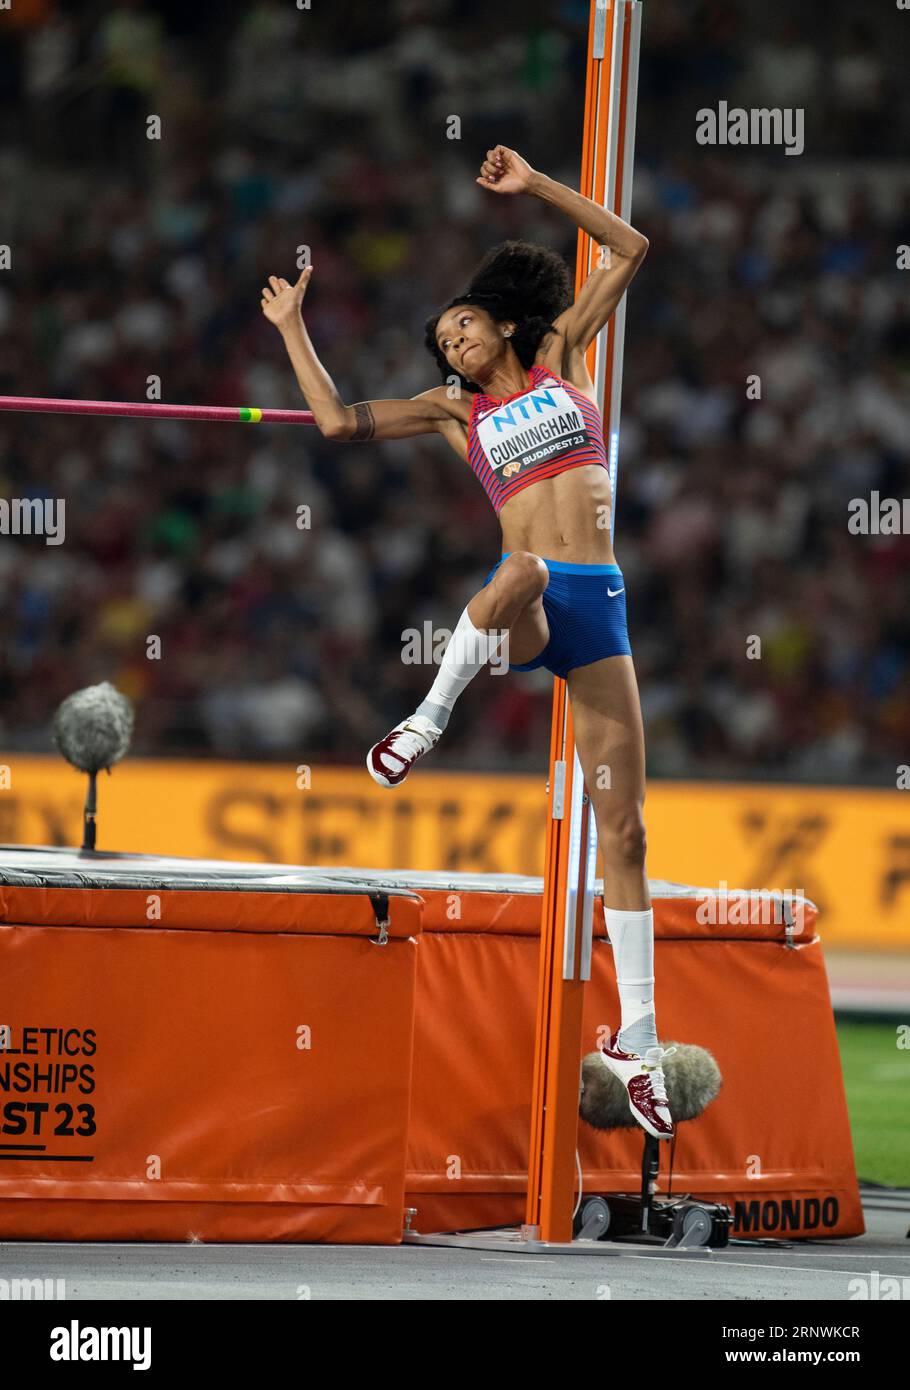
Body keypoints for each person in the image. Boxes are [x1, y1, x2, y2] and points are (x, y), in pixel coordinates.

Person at [261, 145, 675, 1139]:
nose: (451, 342)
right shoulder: (455, 411)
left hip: (602, 609)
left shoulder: (566, 355)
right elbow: (331, 422)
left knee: (626, 833)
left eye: (463, 323)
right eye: (442, 337)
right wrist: (293, 327)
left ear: (499, 323)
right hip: (527, 601)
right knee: (521, 569)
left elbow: (629, 244)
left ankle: (642, 1039)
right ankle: (426, 717)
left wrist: (534, 187)